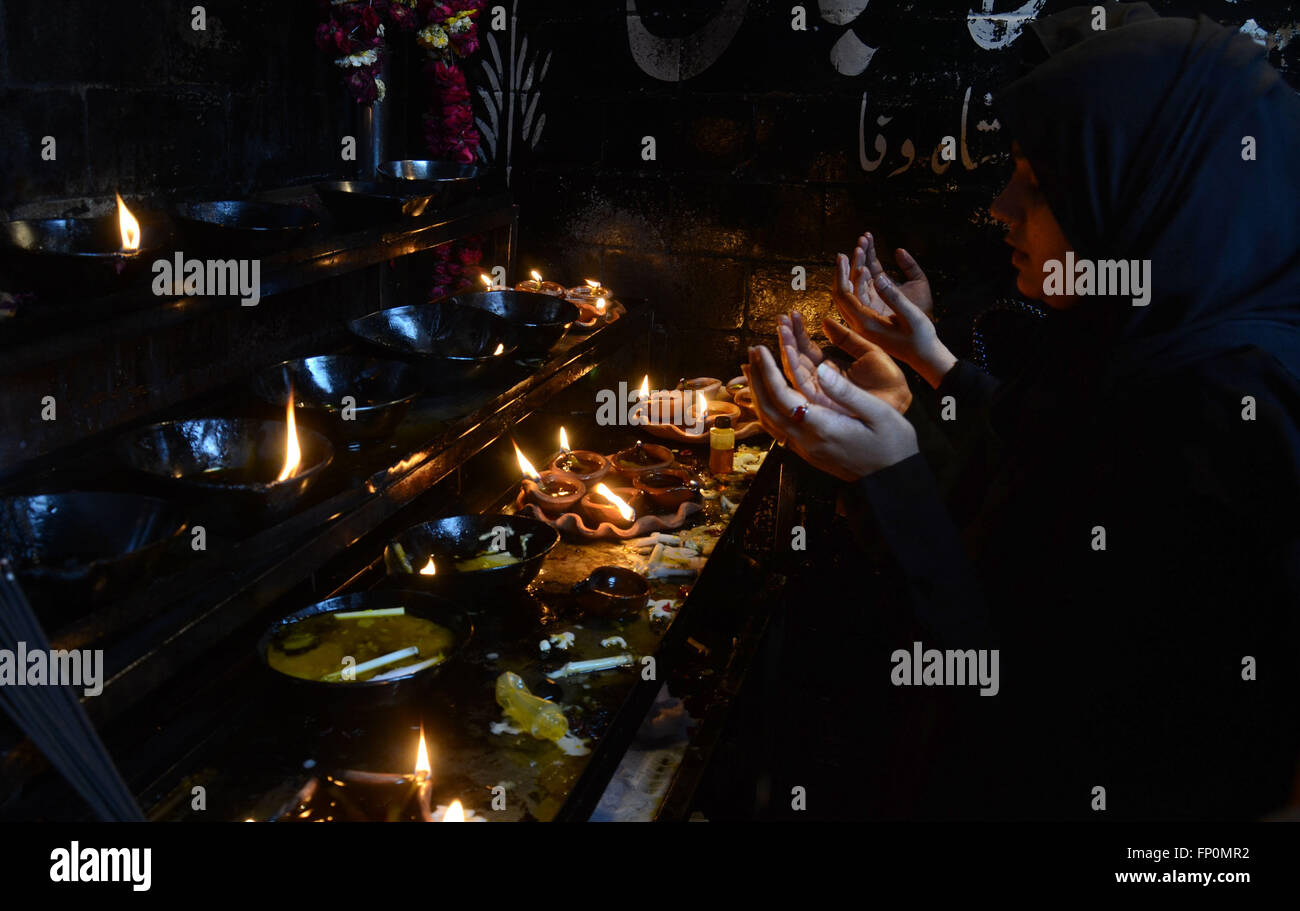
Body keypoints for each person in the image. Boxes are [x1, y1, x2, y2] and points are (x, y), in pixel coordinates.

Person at [745, 3, 1300, 819]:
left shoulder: (1224, 422)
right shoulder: (1153, 339)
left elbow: (1031, 701)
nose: (999, 206)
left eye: (1037, 186)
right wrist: (929, 359)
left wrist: (891, 472)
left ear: (1140, 196)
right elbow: (1058, 451)